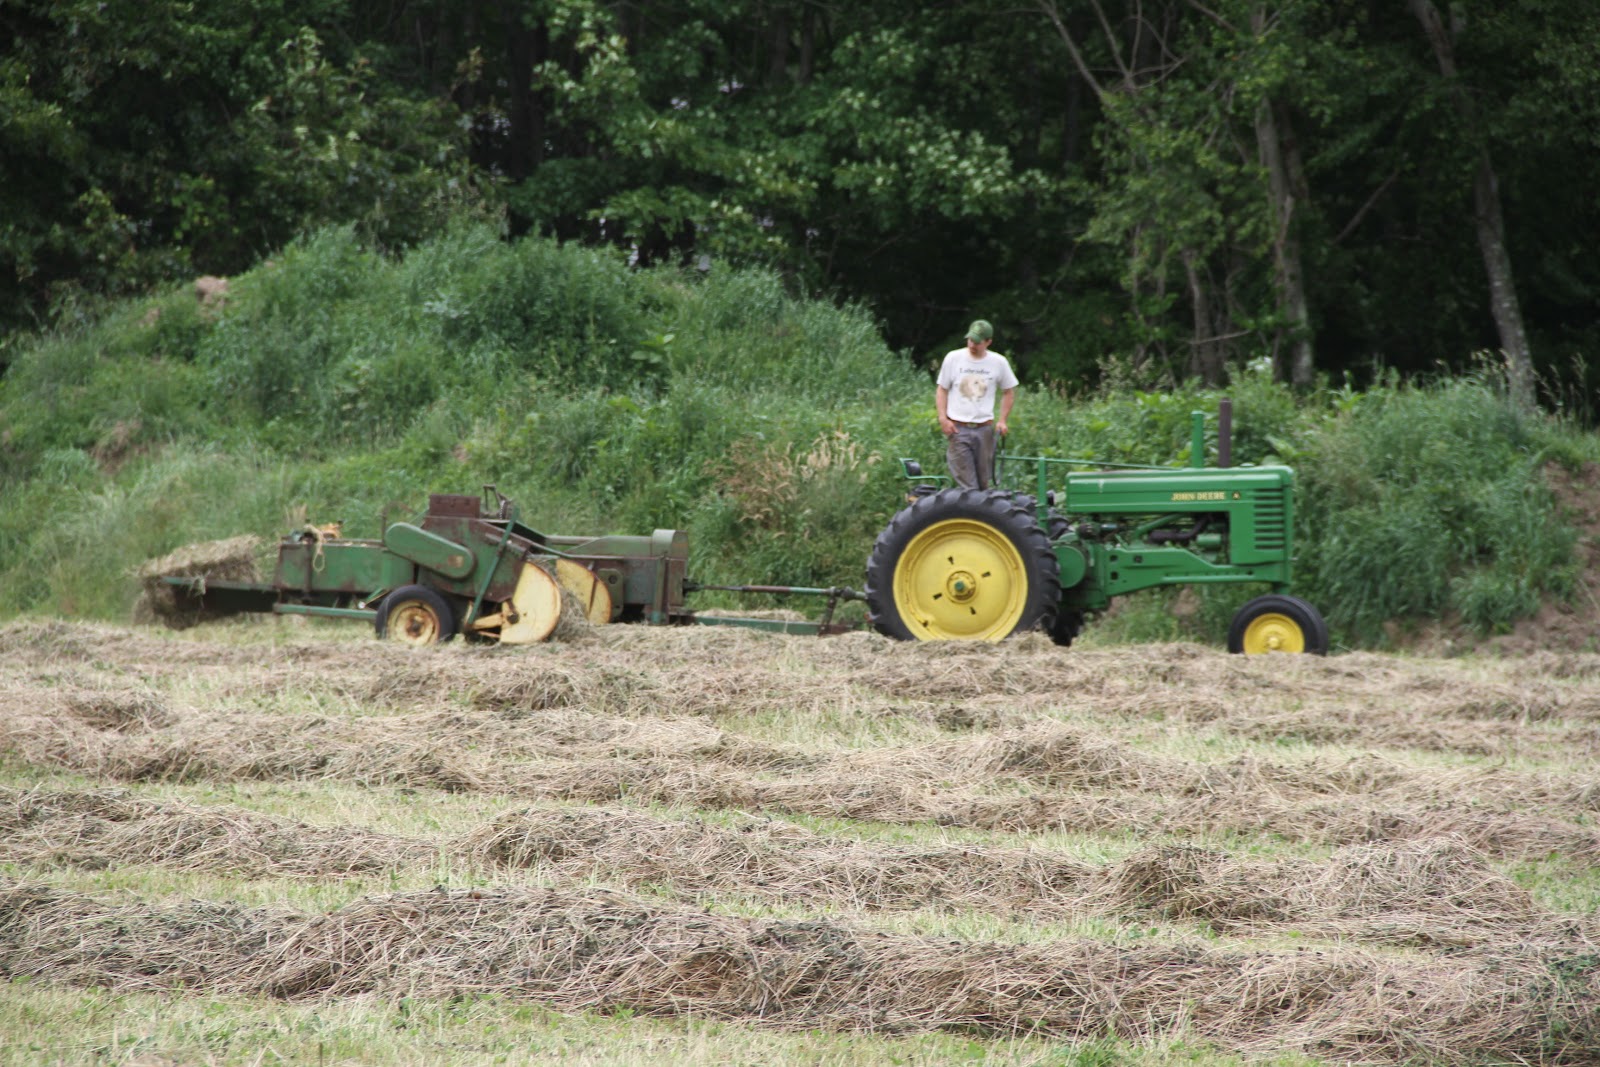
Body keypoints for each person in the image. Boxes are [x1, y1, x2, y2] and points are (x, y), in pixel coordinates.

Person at [935, 319, 1017, 490]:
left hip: (984, 428)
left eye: (978, 342)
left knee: (983, 484)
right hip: (958, 428)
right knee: (969, 486)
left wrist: (1002, 420)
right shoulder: (953, 358)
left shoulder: (998, 362)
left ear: (988, 342)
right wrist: (943, 419)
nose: (972, 344)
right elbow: (942, 389)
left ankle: (975, 513)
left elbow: (1008, 391)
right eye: (970, 340)